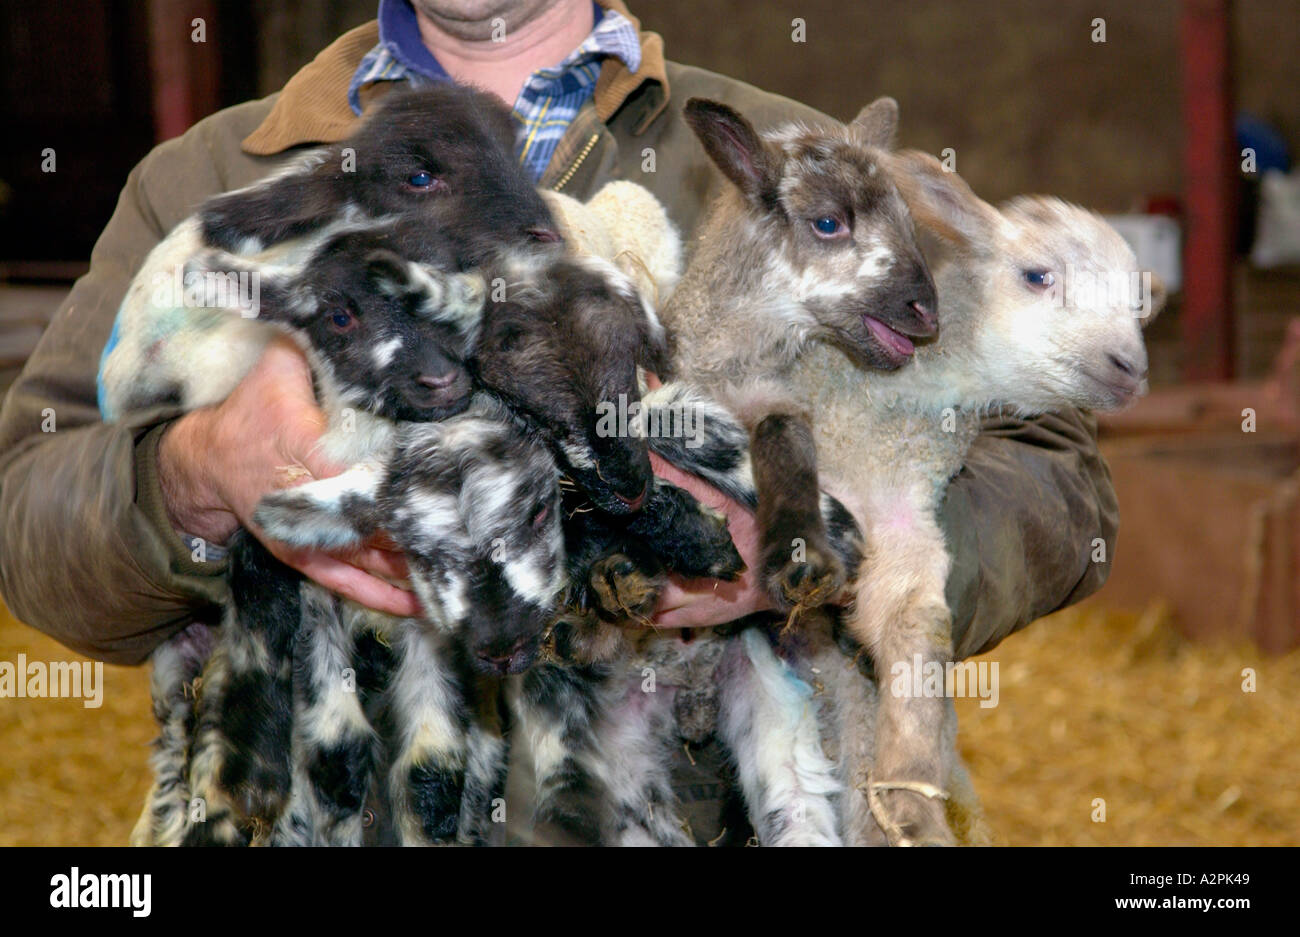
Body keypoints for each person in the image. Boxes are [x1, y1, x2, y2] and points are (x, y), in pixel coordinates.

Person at [0, 0, 1118, 842]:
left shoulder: (787, 163)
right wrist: (194, 471)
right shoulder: (209, 176)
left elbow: (1055, 473)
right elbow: (27, 509)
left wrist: (823, 556)